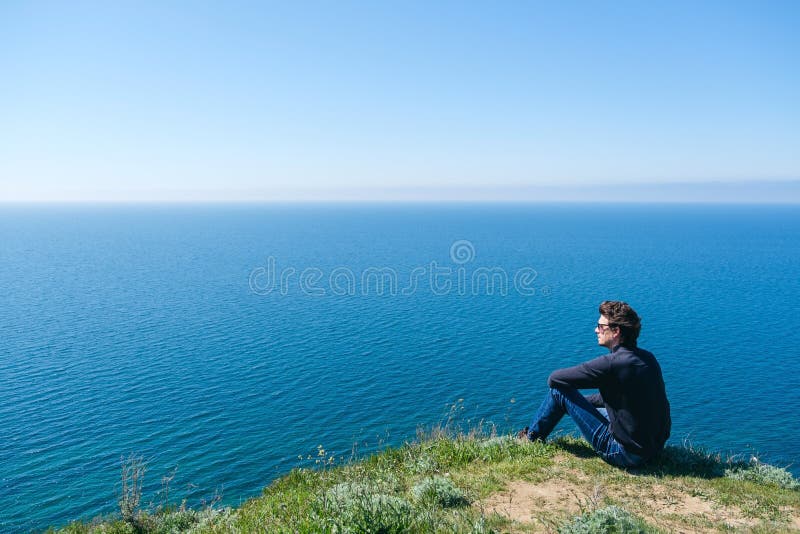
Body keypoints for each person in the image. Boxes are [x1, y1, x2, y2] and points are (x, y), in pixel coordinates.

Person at [518, 301, 670, 468]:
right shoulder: (648, 358)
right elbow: (618, 397)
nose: (596, 330)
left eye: (600, 326)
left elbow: (554, 379)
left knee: (558, 392)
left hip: (625, 454)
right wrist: (578, 404)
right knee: (572, 399)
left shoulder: (612, 364)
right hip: (654, 450)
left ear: (616, 331)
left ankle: (530, 439)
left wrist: (570, 402)